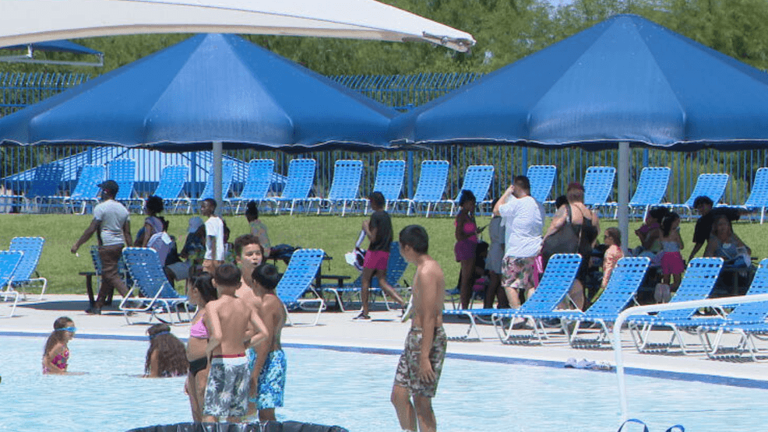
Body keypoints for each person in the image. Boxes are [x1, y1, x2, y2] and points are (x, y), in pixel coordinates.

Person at [391, 225, 447, 432]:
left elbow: (430, 316)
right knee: (398, 396)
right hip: (416, 337)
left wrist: (425, 358)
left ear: (408, 247)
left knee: (422, 403)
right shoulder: (421, 269)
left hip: (427, 338)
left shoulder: (428, 271)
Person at [203, 264, 268, 423]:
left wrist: (207, 350)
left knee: (212, 412)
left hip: (222, 361)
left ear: (214, 282)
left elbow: (217, 335)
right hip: (241, 361)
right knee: (235, 414)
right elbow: (263, 333)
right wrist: (246, 345)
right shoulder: (245, 305)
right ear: (238, 285)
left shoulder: (213, 306)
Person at [71, 180, 132, 315]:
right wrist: (131, 248)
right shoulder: (123, 209)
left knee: (111, 274)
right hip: (119, 244)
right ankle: (97, 305)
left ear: (106, 192)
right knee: (107, 275)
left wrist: (78, 244)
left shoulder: (101, 208)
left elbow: (92, 228)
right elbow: (127, 232)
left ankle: (129, 299)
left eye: (102, 190)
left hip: (107, 245)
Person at [493, 176, 545, 314]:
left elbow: (496, 210)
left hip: (516, 250)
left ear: (516, 187)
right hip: (534, 251)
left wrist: (507, 193)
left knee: (509, 284)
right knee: (530, 284)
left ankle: (518, 313)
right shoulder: (539, 205)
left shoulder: (517, 204)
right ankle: (530, 314)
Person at [543, 182, 599, 310]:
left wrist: (544, 239)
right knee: (579, 283)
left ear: (569, 195)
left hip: (567, 254)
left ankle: (563, 313)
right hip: (584, 253)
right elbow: (595, 235)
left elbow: (555, 225)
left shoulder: (567, 209)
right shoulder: (592, 215)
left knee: (560, 284)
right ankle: (577, 313)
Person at [356, 191, 406, 320]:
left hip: (374, 252)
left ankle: (365, 311)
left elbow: (372, 238)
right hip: (385, 251)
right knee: (382, 281)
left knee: (365, 280)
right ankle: (403, 303)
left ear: (373, 202)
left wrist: (366, 227)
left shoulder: (375, 216)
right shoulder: (386, 216)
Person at [249, 263, 287, 422]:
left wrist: (255, 375)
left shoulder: (268, 303)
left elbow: (266, 341)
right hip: (267, 358)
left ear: (256, 282)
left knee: (266, 413)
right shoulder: (275, 301)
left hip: (268, 360)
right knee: (260, 410)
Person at [185, 273, 218, 422]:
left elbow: (216, 341)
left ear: (196, 291)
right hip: (193, 366)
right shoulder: (198, 311)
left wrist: (210, 369)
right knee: (196, 412)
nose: (187, 294)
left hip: (205, 364)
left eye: (188, 289)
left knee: (207, 412)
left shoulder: (209, 314)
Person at [688, 196, 744, 262]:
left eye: (702, 206)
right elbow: (699, 242)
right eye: (698, 208)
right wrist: (692, 255)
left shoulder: (722, 211)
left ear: (709, 205)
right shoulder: (701, 223)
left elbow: (738, 213)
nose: (700, 209)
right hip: (715, 248)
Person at [454, 190, 480, 309]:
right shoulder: (462, 216)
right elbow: (459, 235)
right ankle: (464, 305)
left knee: (469, 277)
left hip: (471, 246)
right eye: (471, 204)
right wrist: (471, 235)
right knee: (466, 278)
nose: (472, 206)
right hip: (465, 246)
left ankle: (466, 304)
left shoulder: (469, 216)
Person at [166, 216, 206, 288]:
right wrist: (184, 254)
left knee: (194, 270)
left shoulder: (207, 237)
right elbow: (184, 251)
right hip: (189, 263)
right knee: (166, 271)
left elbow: (201, 258)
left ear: (202, 227)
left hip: (200, 265)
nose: (195, 233)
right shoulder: (191, 236)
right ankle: (171, 294)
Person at [484, 198, 509, 309]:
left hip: (493, 251)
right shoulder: (502, 222)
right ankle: (501, 304)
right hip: (500, 252)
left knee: (494, 281)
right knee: (499, 281)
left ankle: (490, 305)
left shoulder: (494, 220)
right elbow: (503, 241)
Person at [656, 212, 686, 303]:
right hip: (675, 256)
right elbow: (681, 246)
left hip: (665, 256)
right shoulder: (675, 232)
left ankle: (663, 293)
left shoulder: (661, 232)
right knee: (677, 280)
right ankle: (671, 293)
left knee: (666, 278)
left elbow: (661, 245)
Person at [593, 227, 624, 303]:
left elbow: (608, 267)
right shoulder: (619, 250)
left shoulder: (610, 251)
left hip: (610, 278)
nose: (604, 239)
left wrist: (604, 281)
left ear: (611, 238)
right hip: (618, 278)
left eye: (605, 237)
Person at [201, 198, 225, 275]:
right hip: (220, 256)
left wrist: (213, 259)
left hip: (211, 257)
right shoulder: (218, 220)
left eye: (204, 207)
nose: (202, 209)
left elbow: (213, 240)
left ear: (212, 208)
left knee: (206, 279)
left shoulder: (209, 222)